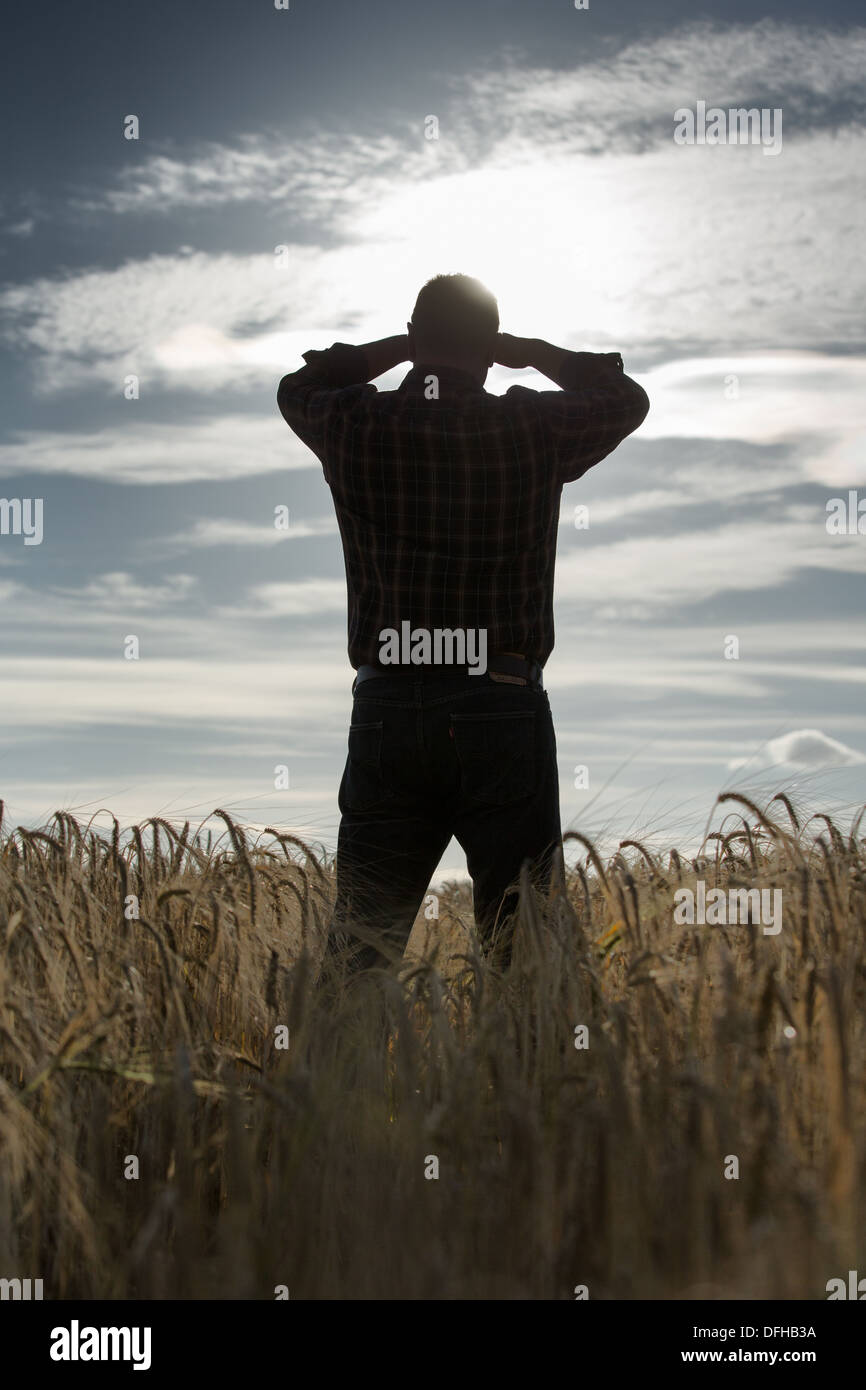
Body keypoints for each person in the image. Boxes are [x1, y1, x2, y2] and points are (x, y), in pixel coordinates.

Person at [277, 274, 649, 975]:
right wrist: (532, 352)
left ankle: (329, 1075)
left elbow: (300, 383)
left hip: (389, 706)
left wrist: (396, 348)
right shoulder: (530, 426)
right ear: (491, 347)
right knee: (526, 957)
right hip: (502, 703)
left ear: (418, 339)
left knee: (359, 952)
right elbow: (624, 398)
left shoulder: (357, 422)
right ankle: (532, 1078)